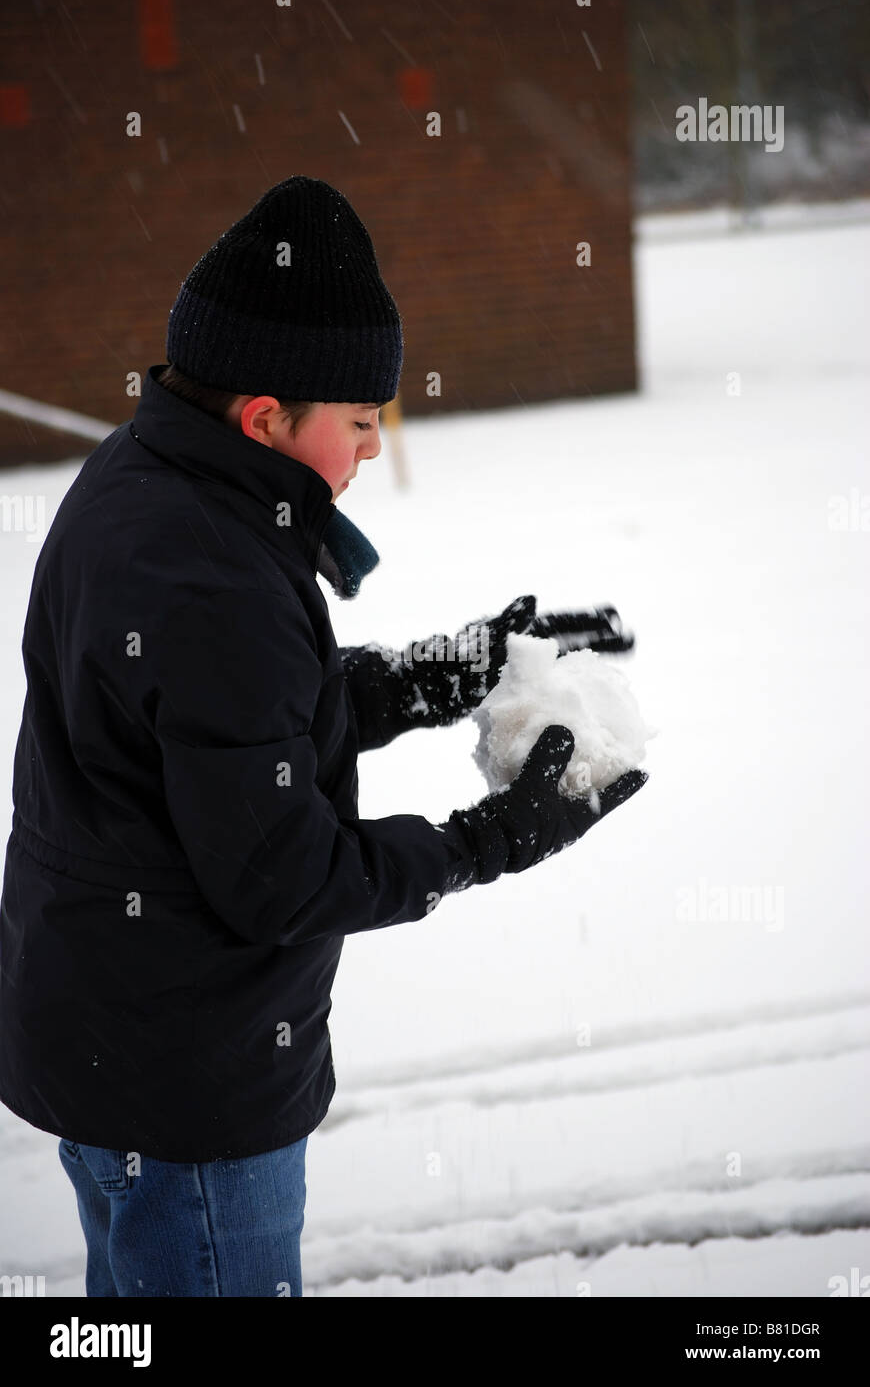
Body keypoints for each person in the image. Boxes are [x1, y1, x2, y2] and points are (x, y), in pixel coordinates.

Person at [0, 176, 647, 1298]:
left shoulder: (148, 481)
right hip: (189, 1087)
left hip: (114, 1035)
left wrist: (448, 670)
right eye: (358, 424)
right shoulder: (210, 570)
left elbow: (239, 724)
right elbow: (279, 875)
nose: (368, 455)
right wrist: (492, 838)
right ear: (264, 418)